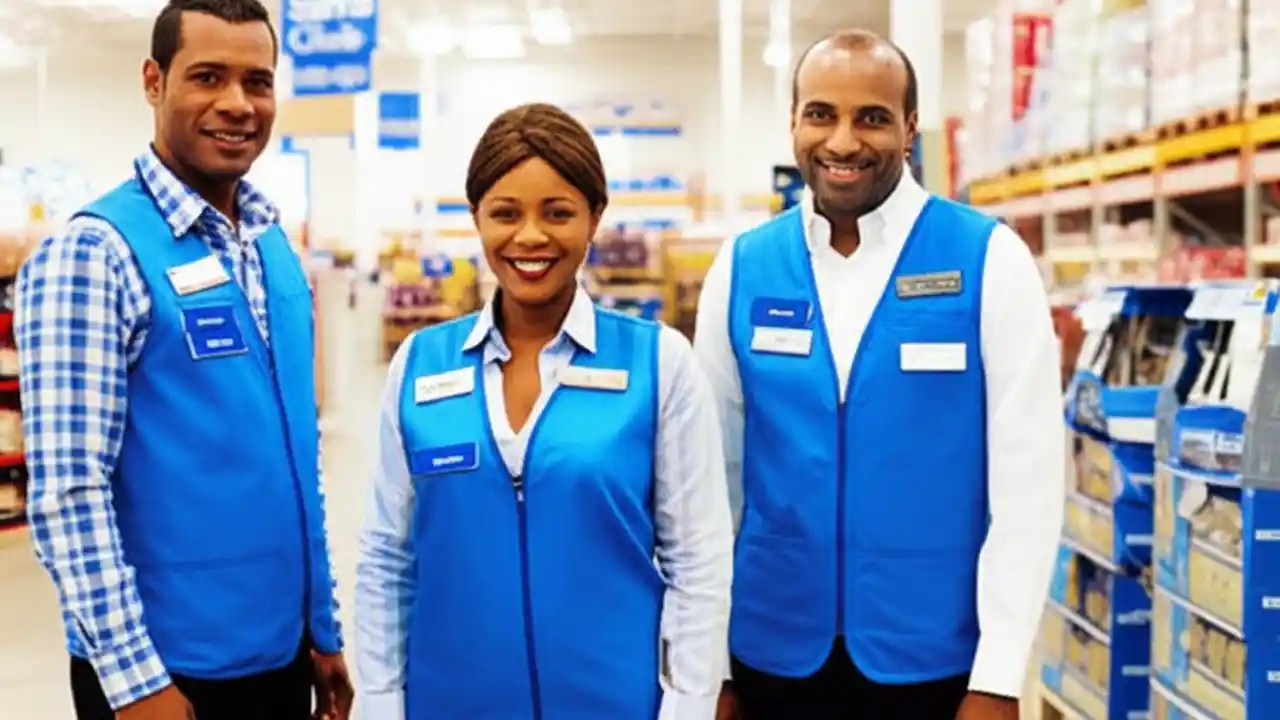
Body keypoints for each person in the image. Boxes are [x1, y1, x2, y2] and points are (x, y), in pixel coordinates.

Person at [694, 30, 1065, 720]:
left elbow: (1029, 488)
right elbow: (712, 485)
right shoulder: (742, 267)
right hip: (772, 657)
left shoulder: (989, 261)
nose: (842, 141)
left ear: (910, 126)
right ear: (795, 122)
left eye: (871, 117)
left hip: (936, 662)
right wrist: (709, 666)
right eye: (821, 114)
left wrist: (1000, 676)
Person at [15, 1, 352, 718]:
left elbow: (297, 458)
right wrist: (136, 683)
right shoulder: (95, 254)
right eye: (207, 76)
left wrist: (322, 627)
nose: (236, 104)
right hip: (170, 672)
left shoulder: (269, 248)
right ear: (153, 81)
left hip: (278, 651)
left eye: (257, 82)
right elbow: (70, 492)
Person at [353, 102, 734, 720]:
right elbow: (385, 559)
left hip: (615, 702)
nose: (530, 237)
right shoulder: (420, 365)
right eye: (505, 213)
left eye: (558, 213)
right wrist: (380, 704)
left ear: (594, 219)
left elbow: (699, 561)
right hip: (448, 701)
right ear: (476, 217)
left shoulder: (659, 363)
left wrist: (687, 705)